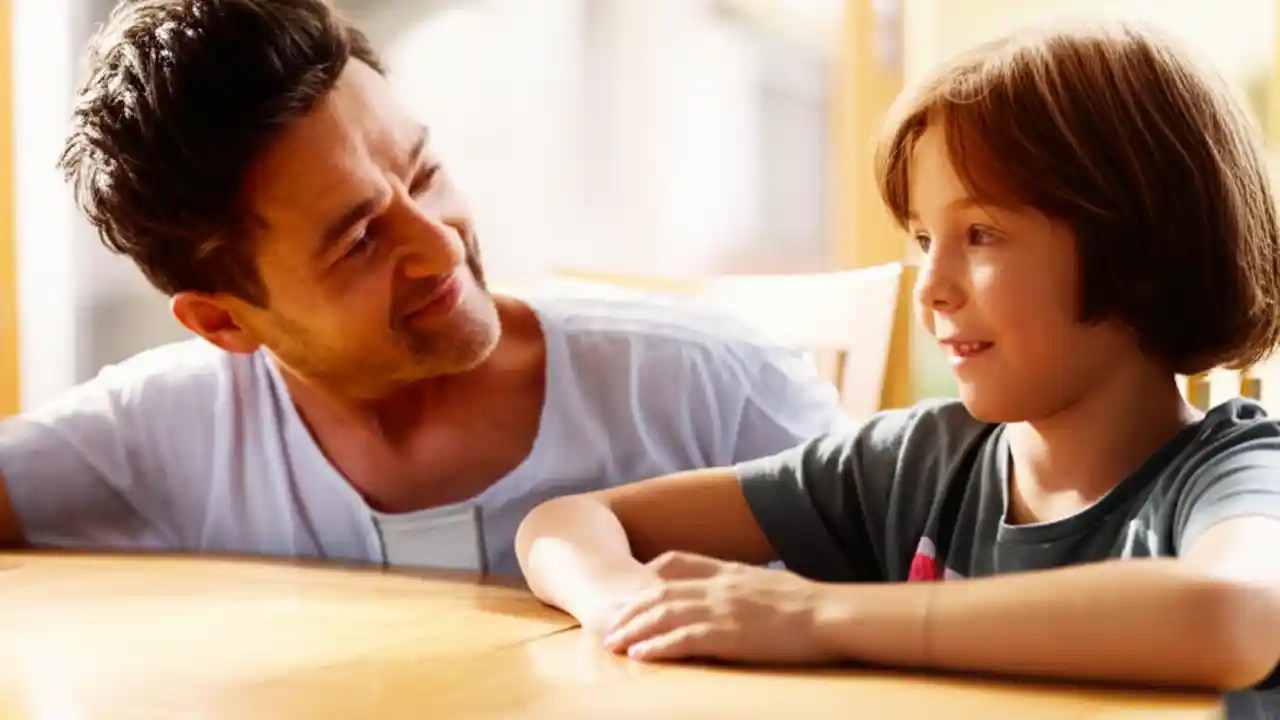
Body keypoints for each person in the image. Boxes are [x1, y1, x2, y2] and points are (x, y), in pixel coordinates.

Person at [515, 21, 1280, 690]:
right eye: (922, 241)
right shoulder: (912, 464)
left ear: (1142, 247)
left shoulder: (1234, 473)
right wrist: (629, 606)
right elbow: (565, 521)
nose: (932, 289)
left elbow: (1235, 615)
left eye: (980, 235)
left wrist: (816, 615)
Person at [0, 0, 846, 578]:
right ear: (223, 320)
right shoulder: (168, 432)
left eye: (426, 172)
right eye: (361, 239)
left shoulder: (708, 387)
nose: (438, 242)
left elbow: (929, 566)